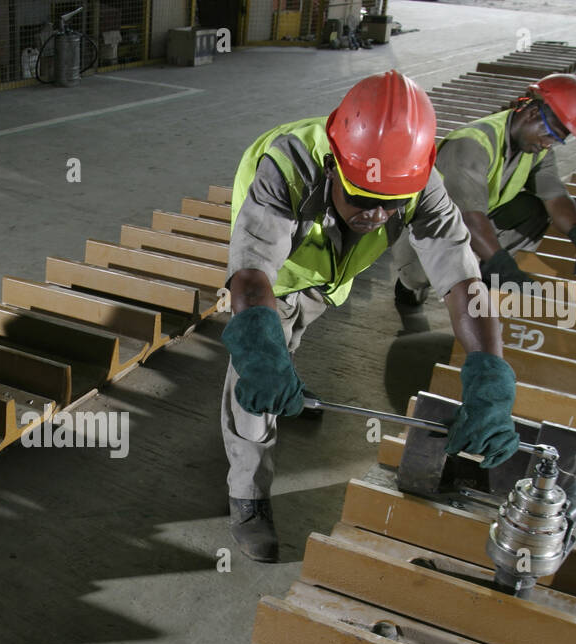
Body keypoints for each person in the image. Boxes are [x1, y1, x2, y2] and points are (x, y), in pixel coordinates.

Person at [222, 70, 519, 562]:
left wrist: (490, 375)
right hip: (270, 282)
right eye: (363, 201)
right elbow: (251, 278)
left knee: (287, 348)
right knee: (251, 390)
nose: (376, 218)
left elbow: (464, 282)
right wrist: (261, 354)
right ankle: (246, 498)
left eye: (391, 207)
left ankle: (283, 381)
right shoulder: (286, 166)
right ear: (337, 166)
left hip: (325, 280)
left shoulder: (419, 182)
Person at [394, 72, 576, 329]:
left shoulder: (536, 148)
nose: (549, 144)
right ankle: (409, 283)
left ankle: (482, 273)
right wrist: (505, 270)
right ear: (532, 114)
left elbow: (555, 195)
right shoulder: (472, 145)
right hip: (424, 237)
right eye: (551, 134)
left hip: (471, 226)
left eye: (557, 139)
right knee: (421, 273)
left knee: (535, 209)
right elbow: (469, 220)